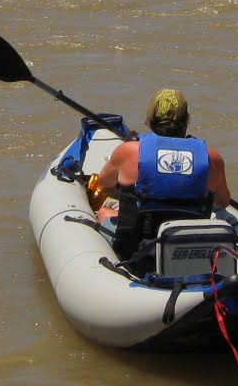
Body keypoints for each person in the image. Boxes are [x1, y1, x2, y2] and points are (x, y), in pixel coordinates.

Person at [89, 88, 230, 265]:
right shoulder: (212, 157)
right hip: (191, 253)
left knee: (105, 212)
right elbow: (223, 201)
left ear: (149, 120)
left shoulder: (128, 151)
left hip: (136, 254)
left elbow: (104, 182)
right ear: (186, 120)